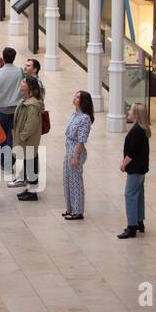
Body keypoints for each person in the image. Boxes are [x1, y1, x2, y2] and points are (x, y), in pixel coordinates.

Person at [118, 102, 151, 239]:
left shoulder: (137, 131)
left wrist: (123, 164)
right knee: (138, 194)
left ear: (136, 114)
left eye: (131, 110)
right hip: (141, 168)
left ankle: (132, 226)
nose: (128, 112)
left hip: (136, 169)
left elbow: (131, 153)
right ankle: (139, 221)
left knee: (130, 195)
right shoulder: (141, 129)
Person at [0, 46, 23, 174]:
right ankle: (10, 160)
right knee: (13, 136)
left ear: (3, 57)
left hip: (2, 109)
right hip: (17, 110)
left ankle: (4, 162)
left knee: (2, 136)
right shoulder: (21, 72)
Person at [62, 91, 95, 220]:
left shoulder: (85, 118)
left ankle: (78, 210)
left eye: (77, 97)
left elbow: (81, 140)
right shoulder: (74, 114)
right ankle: (69, 208)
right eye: (75, 96)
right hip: (68, 148)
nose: (74, 98)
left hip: (75, 150)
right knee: (67, 180)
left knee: (75, 181)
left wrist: (75, 157)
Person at [11, 75, 44, 201]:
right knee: (28, 162)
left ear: (29, 86)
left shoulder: (32, 105)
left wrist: (22, 135)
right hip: (25, 140)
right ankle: (30, 188)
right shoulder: (26, 100)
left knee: (31, 164)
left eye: (24, 81)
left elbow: (31, 124)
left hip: (28, 140)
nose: (21, 83)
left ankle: (32, 192)